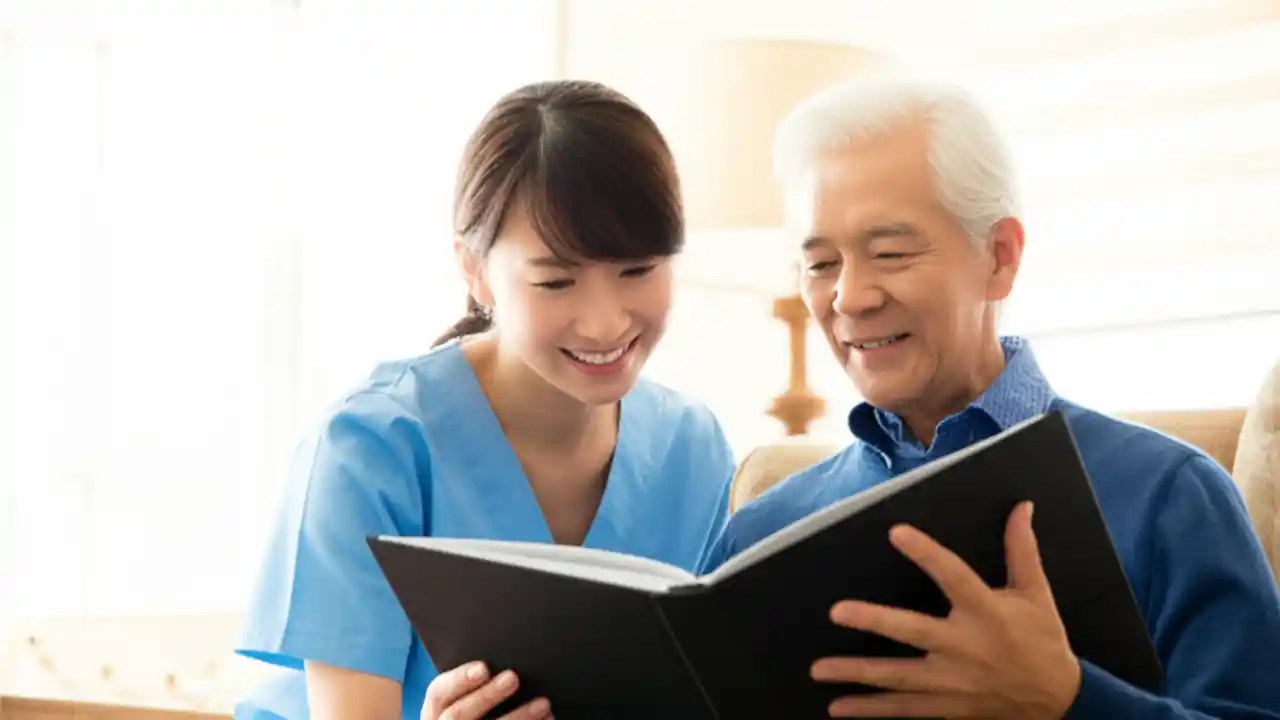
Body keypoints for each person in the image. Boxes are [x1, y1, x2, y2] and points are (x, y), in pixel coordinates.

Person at [702, 76, 1280, 719]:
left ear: (999, 257)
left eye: (889, 252)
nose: (849, 298)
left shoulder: (1170, 498)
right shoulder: (759, 533)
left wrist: (1068, 701)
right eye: (821, 265)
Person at [234, 80, 735, 720]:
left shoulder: (693, 449)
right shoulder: (368, 448)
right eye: (555, 281)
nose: (606, 323)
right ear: (474, 269)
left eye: (638, 270)